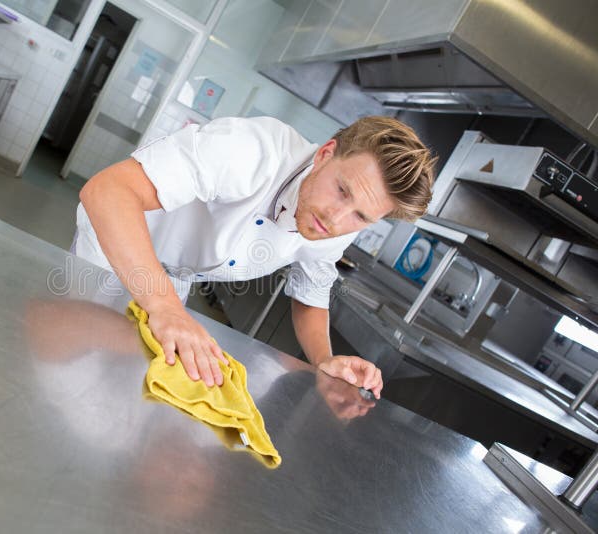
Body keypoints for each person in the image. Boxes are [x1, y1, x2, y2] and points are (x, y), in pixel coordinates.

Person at [73, 115, 436, 397]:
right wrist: (165, 307)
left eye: (361, 217)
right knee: (71, 365)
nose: (336, 219)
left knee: (124, 384)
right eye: (341, 191)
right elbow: (109, 191)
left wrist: (324, 360)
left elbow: (311, 295)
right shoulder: (251, 150)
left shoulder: (340, 224)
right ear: (325, 154)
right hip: (118, 249)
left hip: (172, 286)